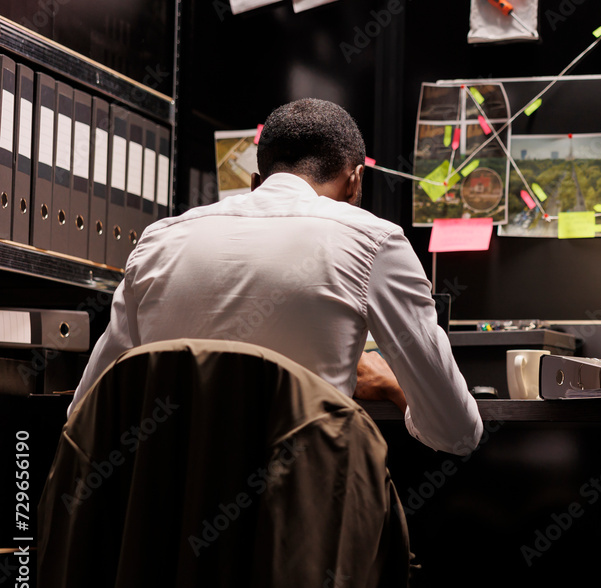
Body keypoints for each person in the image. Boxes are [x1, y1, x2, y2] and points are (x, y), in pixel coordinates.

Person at [68, 98, 483, 454]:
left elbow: (84, 411)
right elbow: (457, 432)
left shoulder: (159, 240)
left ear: (253, 182)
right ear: (356, 183)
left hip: (162, 530)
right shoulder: (375, 241)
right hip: (299, 532)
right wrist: (394, 387)